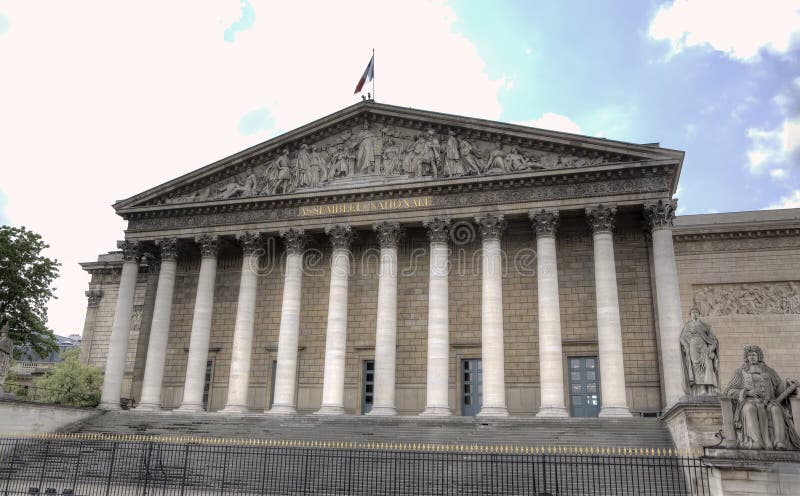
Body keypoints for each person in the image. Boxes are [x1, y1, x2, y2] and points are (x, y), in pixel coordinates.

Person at [724, 345, 800, 450]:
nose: (751, 357)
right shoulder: (740, 372)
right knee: (750, 408)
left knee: (776, 409)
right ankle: (756, 441)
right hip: (748, 402)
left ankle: (779, 442)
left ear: (759, 356)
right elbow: (729, 391)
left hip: (768, 402)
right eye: (749, 355)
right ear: (746, 357)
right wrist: (747, 392)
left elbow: (778, 389)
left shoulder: (769, 371)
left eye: (754, 355)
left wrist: (787, 384)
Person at [679, 307, 720, 396]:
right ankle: (701, 389)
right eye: (693, 312)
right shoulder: (688, 325)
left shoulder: (705, 325)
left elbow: (713, 339)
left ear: (699, 314)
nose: (695, 314)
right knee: (696, 367)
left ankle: (710, 388)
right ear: (690, 314)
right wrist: (686, 347)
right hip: (693, 348)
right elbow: (682, 338)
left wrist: (712, 349)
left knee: (708, 366)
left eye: (696, 312)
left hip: (704, 348)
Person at [0, 322, 12, 393]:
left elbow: (9, 350)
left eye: (3, 332)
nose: (2, 333)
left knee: (2, 371)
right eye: (1, 332)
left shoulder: (9, 340)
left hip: (4, 357)